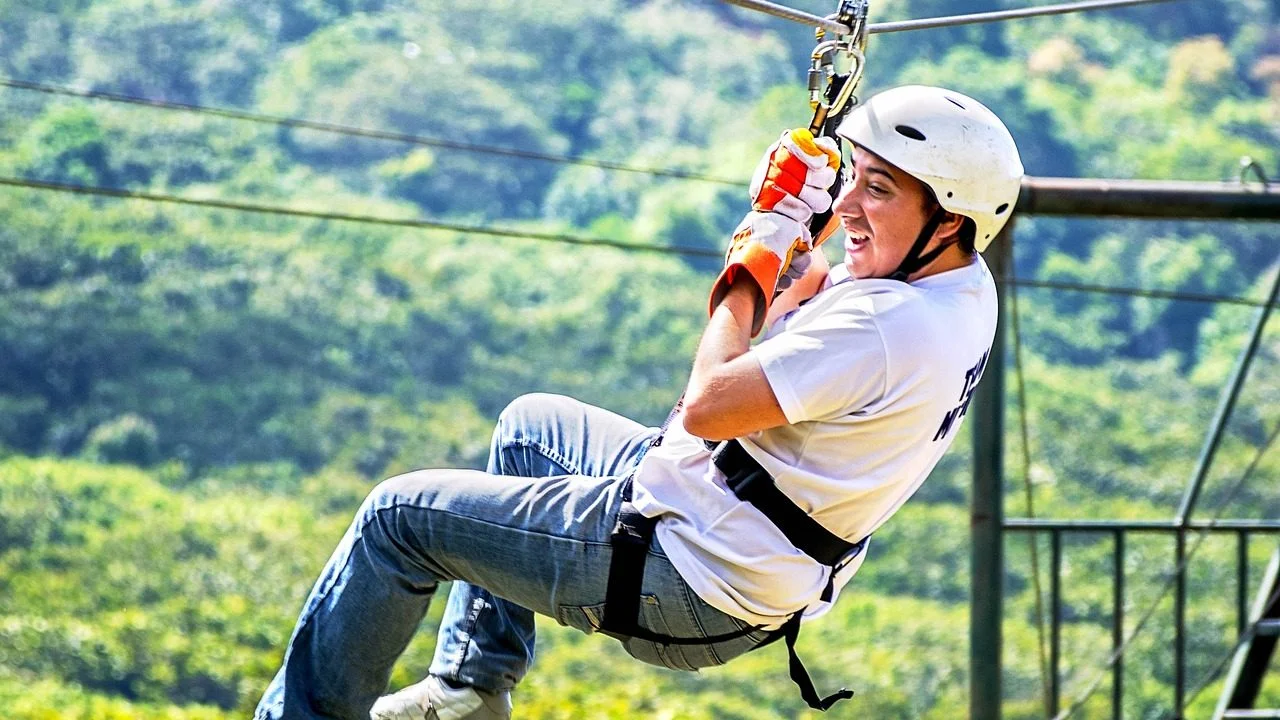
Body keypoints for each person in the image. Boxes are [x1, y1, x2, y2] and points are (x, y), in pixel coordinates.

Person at [253, 84, 1024, 720]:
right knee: (531, 427)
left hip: (688, 570)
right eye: (852, 176)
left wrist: (753, 259)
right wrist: (805, 229)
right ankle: (469, 689)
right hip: (742, 534)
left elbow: (709, 405)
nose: (852, 203)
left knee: (398, 519)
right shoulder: (959, 284)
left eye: (876, 190)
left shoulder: (889, 328)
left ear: (948, 219)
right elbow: (824, 303)